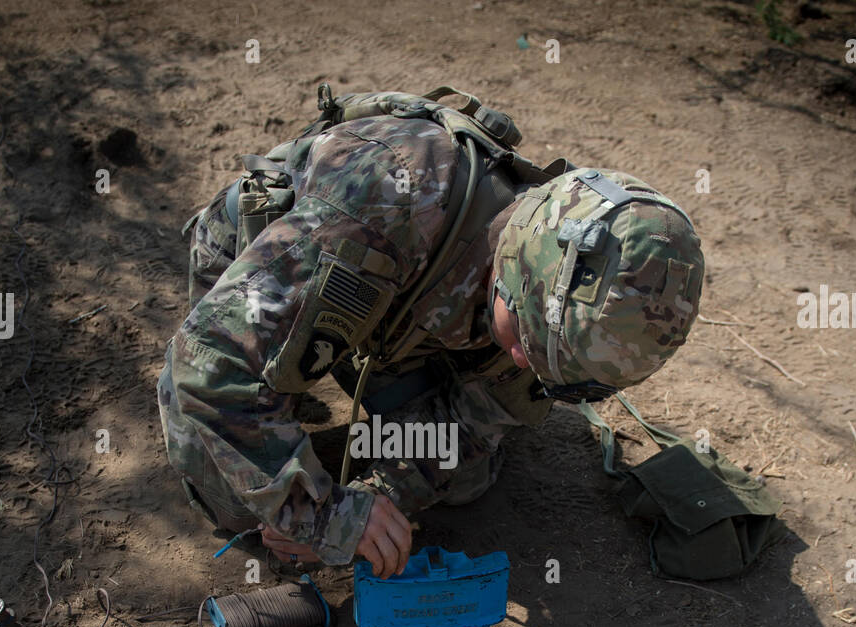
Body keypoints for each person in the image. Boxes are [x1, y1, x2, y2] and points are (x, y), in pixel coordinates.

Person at [157, 87, 704, 578]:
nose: (519, 361)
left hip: (394, 315)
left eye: (549, 365)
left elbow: (474, 422)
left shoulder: (557, 316)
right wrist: (323, 517)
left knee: (465, 479)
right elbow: (209, 362)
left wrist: (380, 494)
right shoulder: (390, 198)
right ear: (512, 270)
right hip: (272, 273)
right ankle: (291, 375)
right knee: (235, 504)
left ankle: (328, 384)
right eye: (528, 342)